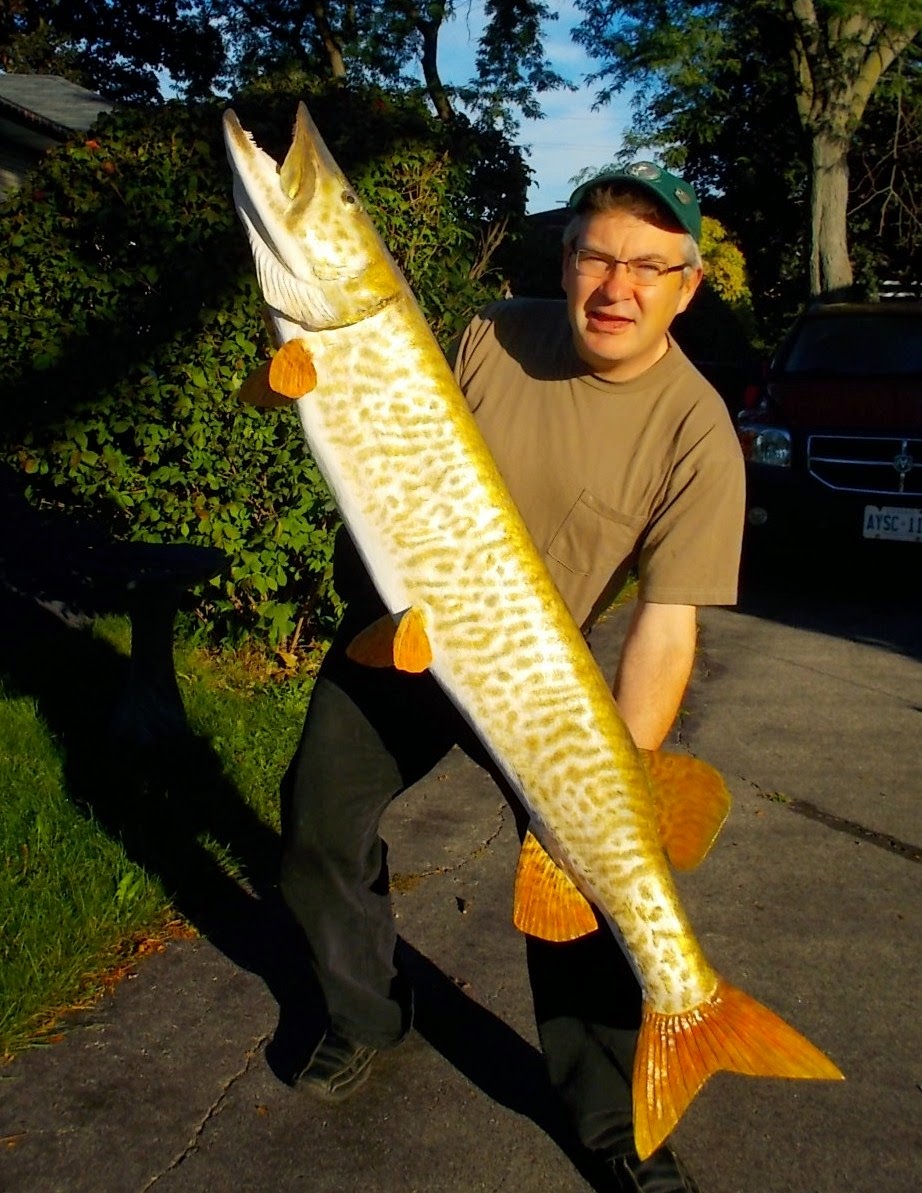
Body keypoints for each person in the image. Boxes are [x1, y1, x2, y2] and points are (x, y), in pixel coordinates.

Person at [278, 162, 745, 1193]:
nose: (616, 286)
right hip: (403, 632)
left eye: (648, 267)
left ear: (687, 285)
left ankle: (618, 1124)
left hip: (539, 675)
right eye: (597, 255)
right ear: (567, 256)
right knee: (316, 821)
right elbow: (389, 453)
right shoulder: (490, 331)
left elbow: (665, 629)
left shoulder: (698, 431)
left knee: (580, 886)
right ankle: (363, 1012)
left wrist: (614, 790)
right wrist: (308, 379)